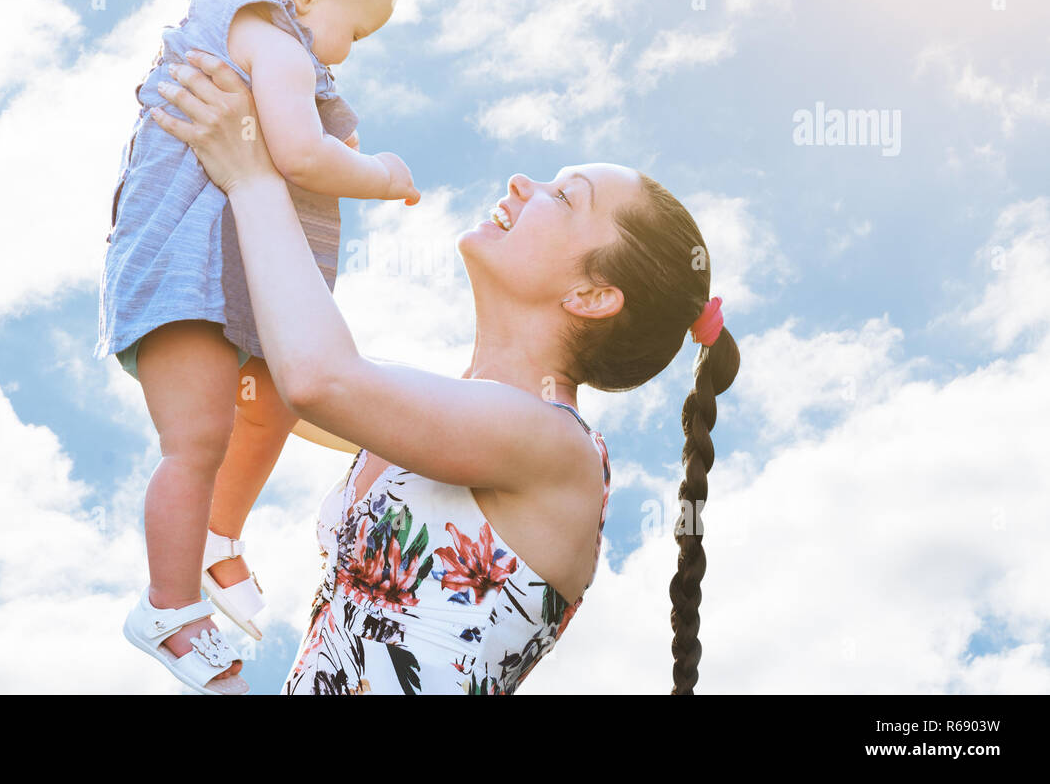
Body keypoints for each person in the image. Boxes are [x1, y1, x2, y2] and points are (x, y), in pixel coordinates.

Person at [148, 48, 741, 694]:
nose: (522, 182)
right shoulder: (434, 422)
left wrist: (253, 178)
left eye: (565, 197)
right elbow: (267, 389)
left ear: (592, 295)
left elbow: (318, 379)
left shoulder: (557, 446)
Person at [96, 0, 418, 695]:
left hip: (230, 282)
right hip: (187, 279)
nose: (344, 53)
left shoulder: (273, 35)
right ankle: (168, 607)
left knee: (274, 395)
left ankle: (215, 535)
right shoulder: (268, 32)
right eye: (354, 28)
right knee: (197, 438)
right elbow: (301, 153)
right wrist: (379, 175)